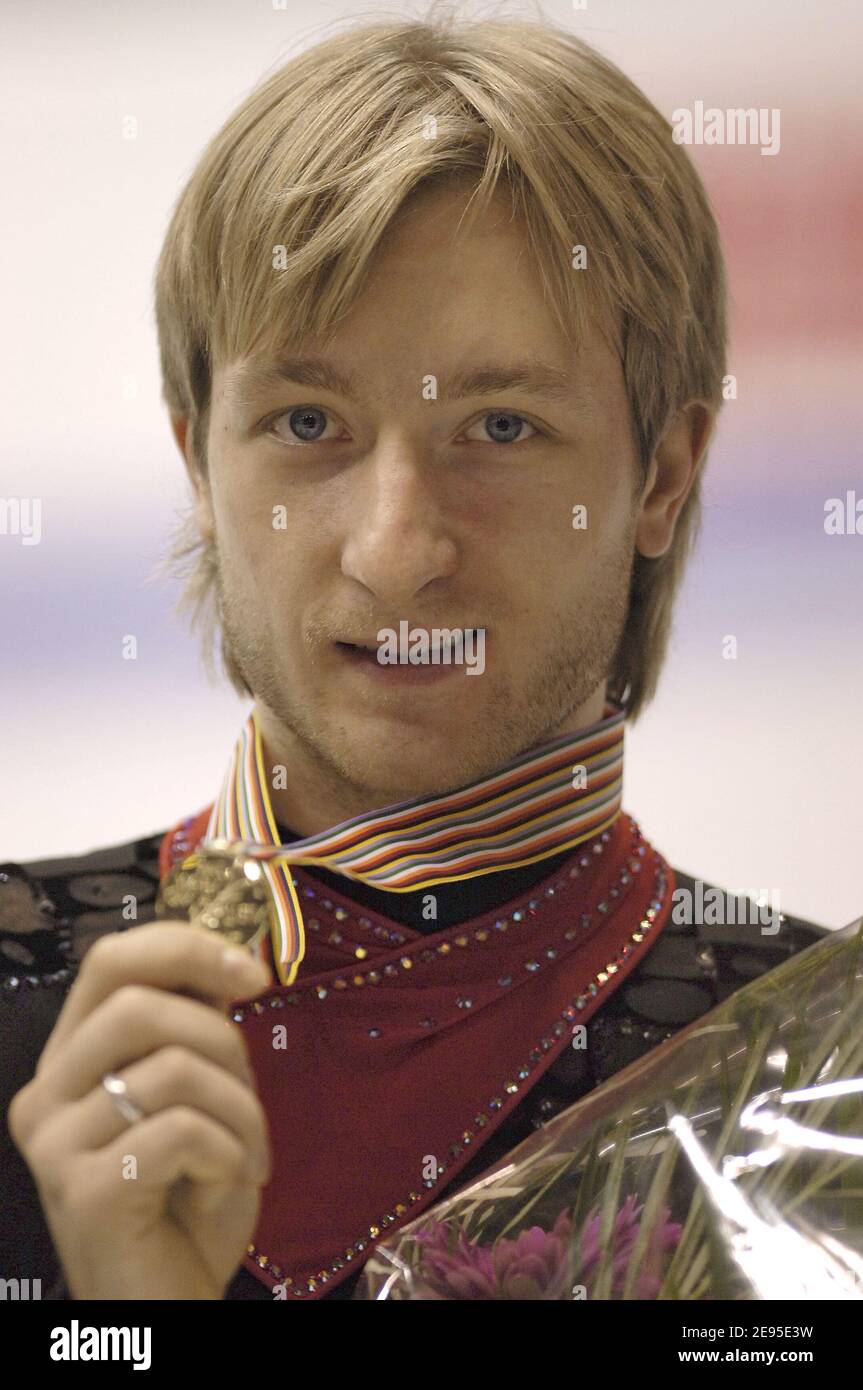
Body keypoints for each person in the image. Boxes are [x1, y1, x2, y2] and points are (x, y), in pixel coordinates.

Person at [0, 12, 826, 1302]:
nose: (396, 550)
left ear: (662, 471)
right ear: (199, 469)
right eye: (309, 422)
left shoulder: (825, 1068)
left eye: (500, 425)